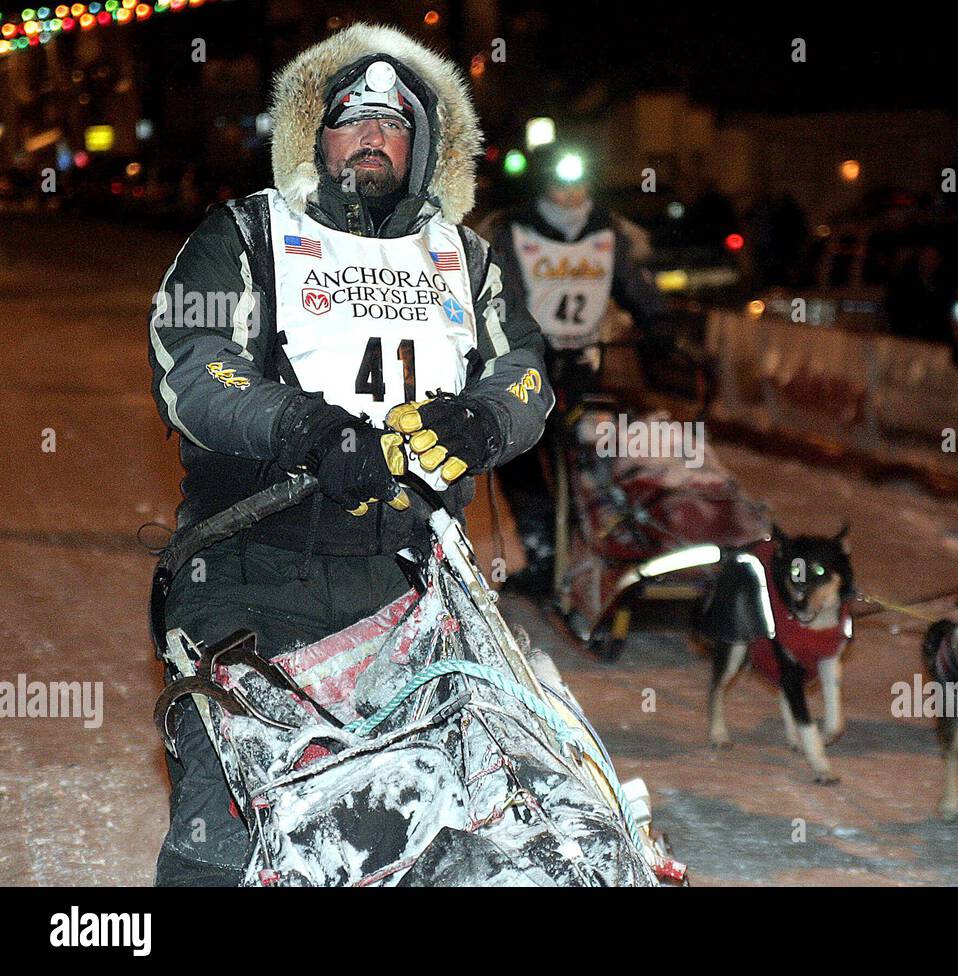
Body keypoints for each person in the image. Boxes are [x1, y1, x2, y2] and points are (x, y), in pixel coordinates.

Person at [146, 24, 553, 886]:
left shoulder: (465, 259)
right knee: (229, 825)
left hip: (412, 584)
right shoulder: (247, 235)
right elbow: (193, 364)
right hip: (253, 573)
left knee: (496, 822)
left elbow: (526, 374)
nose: (373, 135)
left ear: (425, 146)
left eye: (395, 122)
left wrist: (479, 422)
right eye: (352, 119)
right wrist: (303, 427)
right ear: (314, 135)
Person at [483, 145, 674, 595]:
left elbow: (632, 283)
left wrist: (661, 324)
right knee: (524, 459)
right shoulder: (511, 229)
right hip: (529, 365)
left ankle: (597, 550)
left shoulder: (607, 230)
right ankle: (543, 548)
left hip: (585, 364)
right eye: (559, 183)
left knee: (589, 460)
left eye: (578, 183)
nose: (570, 194)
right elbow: (497, 294)